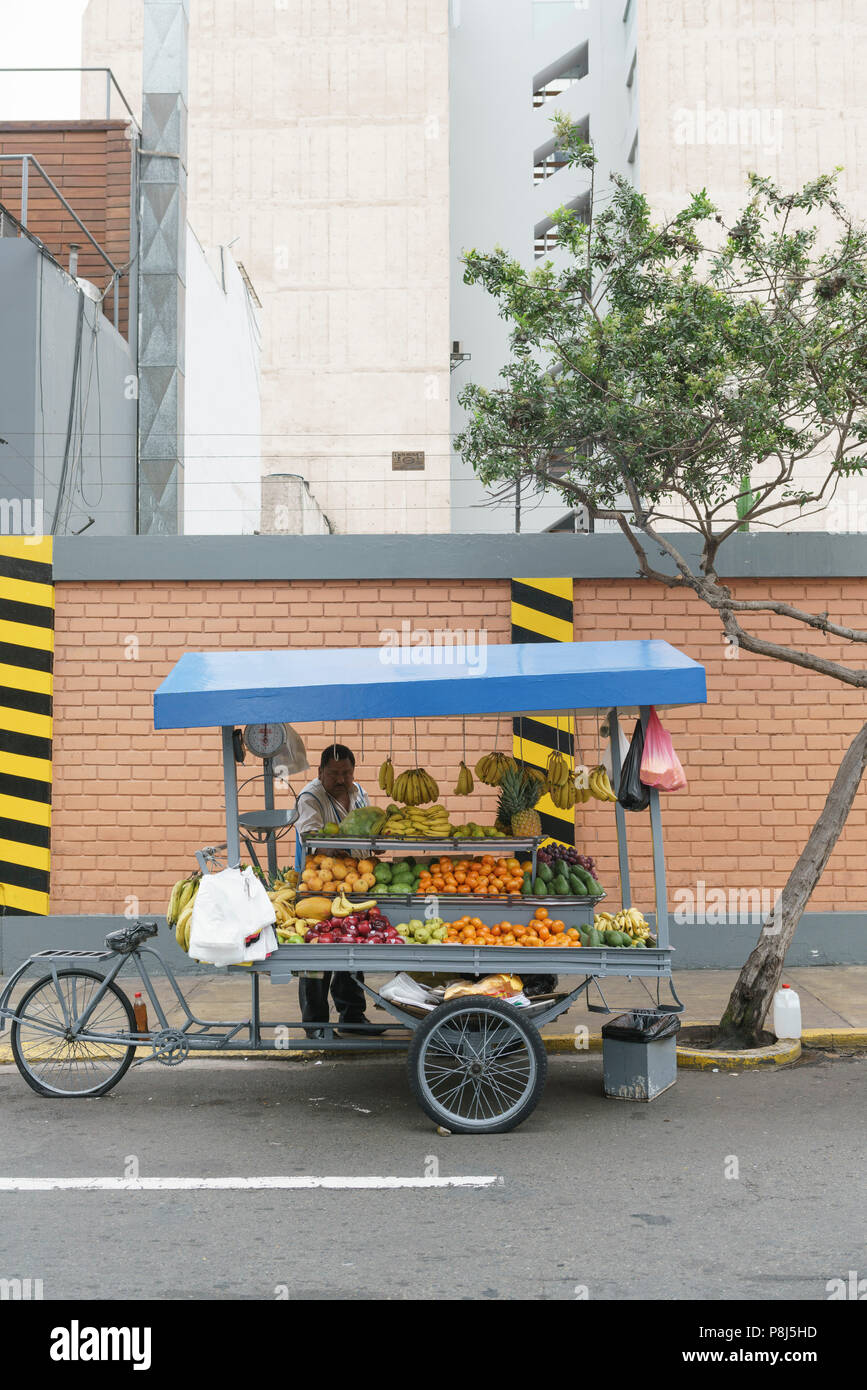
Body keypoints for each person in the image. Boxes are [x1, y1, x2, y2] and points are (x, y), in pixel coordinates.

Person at [294, 744, 386, 1037]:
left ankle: (352, 1016)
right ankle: (316, 1024)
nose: (341, 779)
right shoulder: (310, 798)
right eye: (334, 773)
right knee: (316, 954)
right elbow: (313, 841)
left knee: (352, 948)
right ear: (320, 772)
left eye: (346, 773)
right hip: (318, 887)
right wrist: (352, 835)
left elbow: (372, 832)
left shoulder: (359, 792)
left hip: (355, 884)